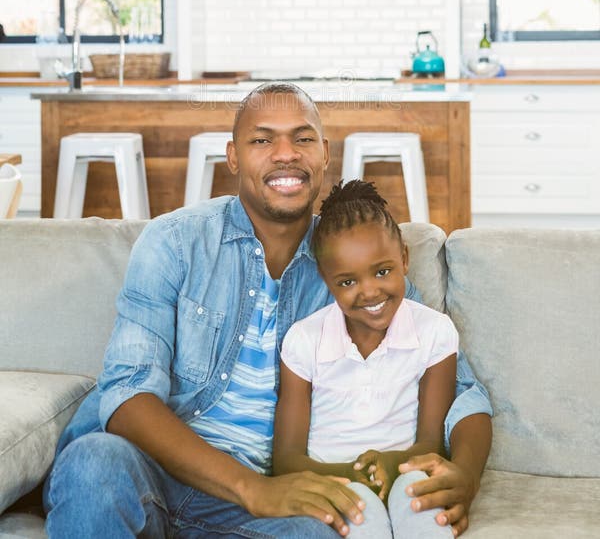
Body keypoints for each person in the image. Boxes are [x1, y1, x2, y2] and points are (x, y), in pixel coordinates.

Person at [44, 82, 492, 538]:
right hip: (155, 473)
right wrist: (250, 487)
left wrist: (467, 477)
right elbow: (128, 395)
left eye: (303, 139)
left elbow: (465, 391)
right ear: (233, 156)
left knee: (329, 530)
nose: (285, 154)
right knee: (92, 462)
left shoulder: (354, 267)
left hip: (271, 508)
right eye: (262, 140)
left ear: (324, 155)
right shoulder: (175, 243)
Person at [274, 179, 458, 538]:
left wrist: (392, 464)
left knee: (423, 511)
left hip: (406, 472)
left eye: (382, 271)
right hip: (335, 479)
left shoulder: (436, 331)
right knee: (359, 517)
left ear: (404, 258)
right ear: (325, 280)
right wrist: (353, 475)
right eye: (347, 282)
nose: (369, 291)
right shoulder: (304, 340)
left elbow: (432, 443)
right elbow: (286, 460)